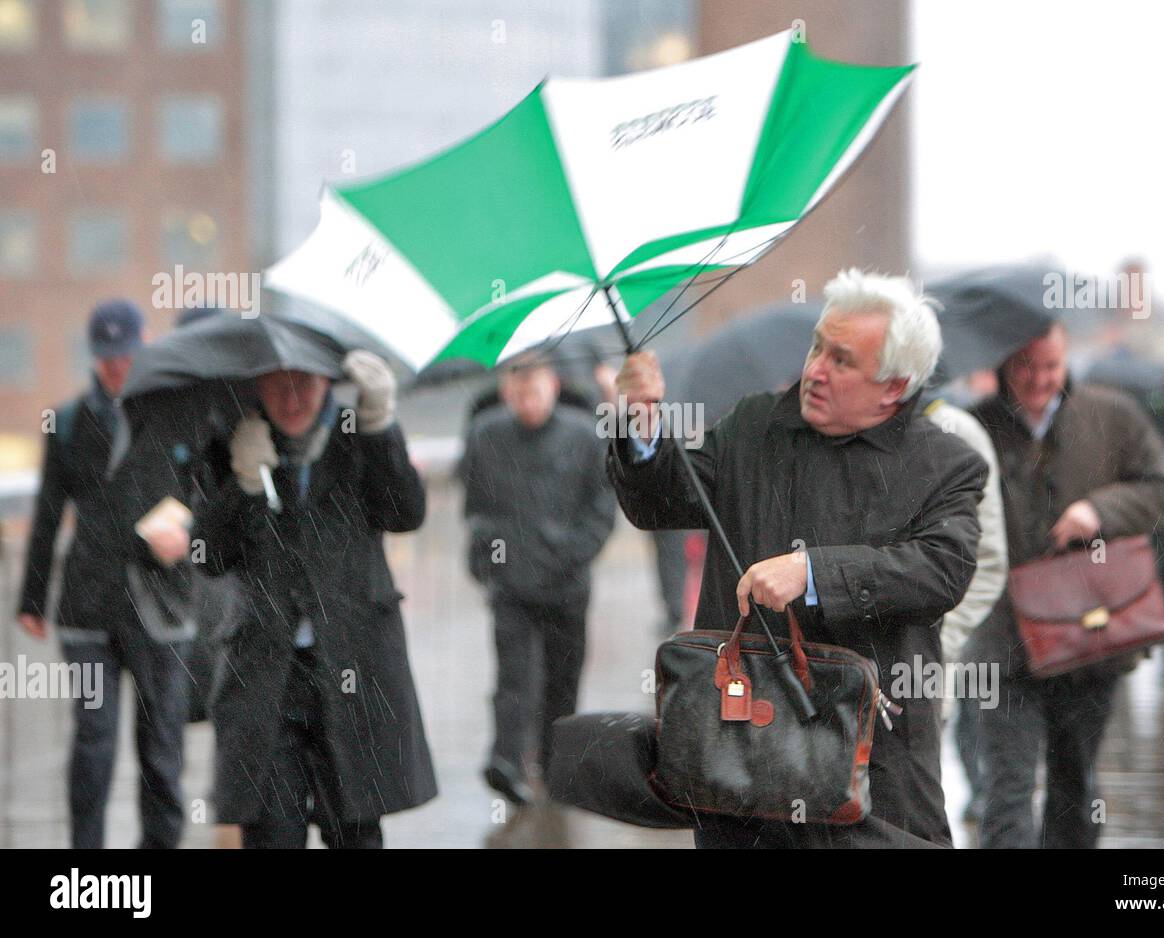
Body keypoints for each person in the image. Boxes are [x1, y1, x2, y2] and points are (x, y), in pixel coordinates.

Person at [610, 269, 987, 847]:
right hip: (744, 756)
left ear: (894, 386)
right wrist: (638, 424)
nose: (814, 369)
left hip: (873, 766)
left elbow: (942, 570)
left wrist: (812, 573)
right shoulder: (753, 425)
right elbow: (661, 501)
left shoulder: (946, 464)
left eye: (841, 360)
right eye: (817, 346)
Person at [190, 350, 436, 848]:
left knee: (355, 830)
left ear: (327, 378)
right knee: (271, 831)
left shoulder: (356, 434)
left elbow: (405, 512)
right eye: (277, 383)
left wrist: (381, 424)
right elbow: (208, 556)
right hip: (267, 675)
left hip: (351, 664)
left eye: (303, 380)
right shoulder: (233, 442)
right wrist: (241, 485)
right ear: (256, 384)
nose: (292, 397)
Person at [969, 321, 1164, 848]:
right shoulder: (973, 430)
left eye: (1051, 366)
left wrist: (1099, 510)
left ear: (1066, 361)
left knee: (1075, 784)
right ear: (1003, 364)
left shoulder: (1112, 416)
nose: (1039, 379)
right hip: (1004, 641)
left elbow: (1162, 489)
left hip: (1089, 637)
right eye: (1025, 366)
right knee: (1007, 788)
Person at [16, 299, 195, 849]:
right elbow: (48, 514)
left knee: (161, 744)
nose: (117, 367)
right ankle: (86, 864)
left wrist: (188, 536)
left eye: (125, 355)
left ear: (143, 346)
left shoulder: (177, 414)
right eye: (107, 358)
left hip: (160, 601)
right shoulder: (68, 424)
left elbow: (206, 492)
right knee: (94, 741)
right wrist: (32, 599)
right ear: (94, 358)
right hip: (88, 606)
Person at [458, 355, 617, 806]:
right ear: (506, 390)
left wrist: (573, 553)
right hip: (511, 584)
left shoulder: (584, 436)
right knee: (514, 678)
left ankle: (555, 764)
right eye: (517, 388)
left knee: (562, 679)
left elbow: (602, 507)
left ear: (553, 384)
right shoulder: (486, 435)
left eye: (535, 387)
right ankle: (506, 760)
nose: (526, 399)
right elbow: (475, 504)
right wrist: (485, 557)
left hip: (567, 585)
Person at [920, 395, 1008, 825]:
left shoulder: (955, 431)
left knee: (911, 812)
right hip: (840, 674)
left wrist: (939, 642)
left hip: (921, 673)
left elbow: (988, 560)